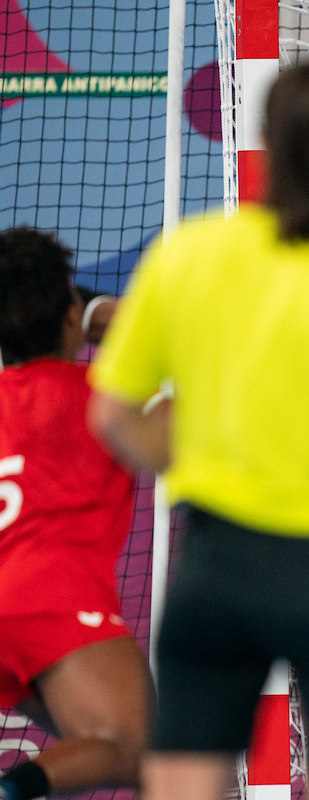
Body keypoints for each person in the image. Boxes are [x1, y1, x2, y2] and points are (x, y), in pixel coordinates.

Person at [87, 65, 309, 800]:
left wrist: (183, 454)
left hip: (220, 565)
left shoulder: (189, 252)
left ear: (263, 140)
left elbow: (111, 413)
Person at [0, 227, 154, 800]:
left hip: (11, 609)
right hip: (52, 599)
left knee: (94, 744)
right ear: (70, 316)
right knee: (134, 749)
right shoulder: (100, 398)